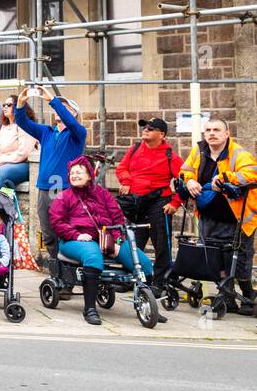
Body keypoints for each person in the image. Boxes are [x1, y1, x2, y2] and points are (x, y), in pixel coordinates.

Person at [50, 155, 157, 326]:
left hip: (107, 239)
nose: (74, 175)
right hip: (74, 240)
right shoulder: (63, 197)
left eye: (79, 172)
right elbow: (57, 222)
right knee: (93, 256)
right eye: (72, 173)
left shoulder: (103, 194)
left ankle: (148, 307)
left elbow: (118, 219)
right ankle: (90, 309)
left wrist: (117, 242)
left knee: (143, 262)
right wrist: (76, 235)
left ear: (90, 175)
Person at [179, 117, 257, 313]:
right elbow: (185, 170)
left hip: (237, 218)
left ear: (226, 134)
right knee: (216, 260)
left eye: (216, 130)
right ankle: (228, 300)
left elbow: (252, 173)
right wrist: (189, 181)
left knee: (240, 261)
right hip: (209, 216)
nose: (212, 133)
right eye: (208, 130)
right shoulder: (200, 150)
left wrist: (224, 178)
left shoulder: (238, 153)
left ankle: (249, 298)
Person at [15, 85, 87, 270]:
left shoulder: (76, 133)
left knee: (63, 231)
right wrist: (21, 103)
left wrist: (52, 99)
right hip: (43, 187)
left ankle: (68, 273)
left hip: (61, 188)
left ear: (73, 114)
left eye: (66, 107)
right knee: (47, 233)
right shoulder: (46, 131)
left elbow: (70, 122)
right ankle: (58, 270)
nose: (59, 109)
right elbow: (22, 122)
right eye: (59, 107)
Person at [115, 116, 184, 282]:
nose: (145, 130)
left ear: (162, 134)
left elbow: (186, 181)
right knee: (132, 243)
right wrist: (126, 180)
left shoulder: (171, 156)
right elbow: (121, 168)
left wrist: (175, 203)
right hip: (135, 204)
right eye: (144, 127)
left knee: (161, 245)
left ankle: (161, 281)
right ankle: (133, 277)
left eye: (150, 128)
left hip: (158, 204)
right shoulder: (134, 148)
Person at [0, 95, 38, 191]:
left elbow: (24, 152)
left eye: (9, 105)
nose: (5, 107)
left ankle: (10, 203)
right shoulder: (4, 126)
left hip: (24, 164)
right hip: (4, 164)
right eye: (4, 104)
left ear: (18, 107)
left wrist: (2, 161)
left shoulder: (25, 125)